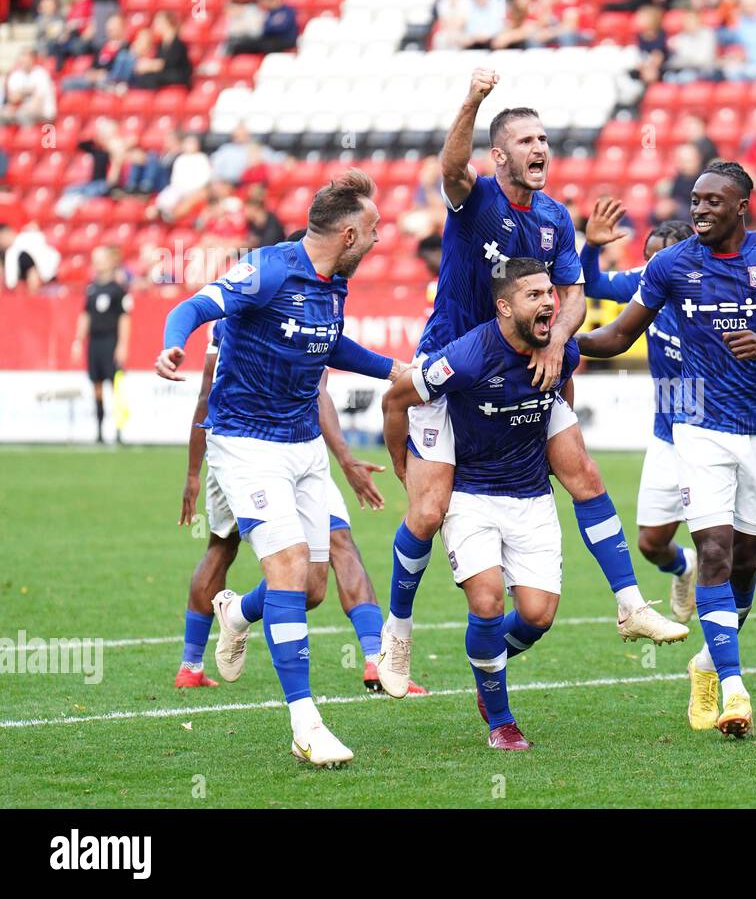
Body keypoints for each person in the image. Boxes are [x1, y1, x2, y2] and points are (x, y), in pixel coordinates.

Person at [377, 70, 688, 699]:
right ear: (501, 155)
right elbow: (451, 169)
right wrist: (471, 100)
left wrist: (554, 340)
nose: (539, 147)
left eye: (543, 138)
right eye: (525, 140)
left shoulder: (555, 218)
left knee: (585, 476)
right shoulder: (477, 198)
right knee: (430, 510)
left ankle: (629, 603)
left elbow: (574, 294)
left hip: (523, 362)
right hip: (453, 362)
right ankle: (398, 632)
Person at [154, 169, 407, 768]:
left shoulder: (333, 283)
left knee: (312, 586)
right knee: (291, 566)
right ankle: (306, 723)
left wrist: (396, 368)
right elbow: (196, 304)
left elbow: (330, 346)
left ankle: (237, 611)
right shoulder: (268, 268)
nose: (377, 241)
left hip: (303, 446)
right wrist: (173, 344)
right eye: (372, 230)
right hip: (247, 442)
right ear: (347, 233)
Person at [577, 162, 756, 738]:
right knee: (713, 550)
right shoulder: (671, 264)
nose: (699, 209)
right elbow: (618, 334)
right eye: (695, 200)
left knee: (745, 561)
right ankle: (735, 687)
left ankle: (706, 662)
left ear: (741, 206)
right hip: (695, 427)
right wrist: (558, 345)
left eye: (712, 201)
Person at [382, 258, 580, 750]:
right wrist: (401, 464)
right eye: (534, 295)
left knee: (537, 616)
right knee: (486, 597)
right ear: (504, 305)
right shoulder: (466, 357)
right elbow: (395, 399)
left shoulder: (561, 350)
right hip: (470, 492)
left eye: (550, 293)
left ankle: (486, 664)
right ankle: (500, 719)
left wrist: (555, 440)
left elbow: (563, 387)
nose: (549, 302)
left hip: (529, 495)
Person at [175, 318, 427, 694]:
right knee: (223, 548)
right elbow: (207, 392)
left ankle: (377, 661)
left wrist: (343, 458)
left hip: (300, 446)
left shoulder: (311, 308)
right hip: (240, 449)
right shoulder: (246, 316)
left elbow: (319, 390)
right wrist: (194, 471)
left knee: (332, 551)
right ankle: (192, 664)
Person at [581, 201, 699, 620]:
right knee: (651, 543)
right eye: (647, 258)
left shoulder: (716, 297)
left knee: (720, 538)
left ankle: (725, 651)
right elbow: (591, 283)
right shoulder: (644, 287)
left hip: (717, 435)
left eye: (660, 259)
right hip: (668, 433)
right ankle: (684, 567)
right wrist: (592, 246)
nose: (650, 267)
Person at [71, 246, 130, 444]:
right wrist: (79, 340)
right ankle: (99, 431)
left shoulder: (117, 289)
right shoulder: (92, 288)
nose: (97, 262)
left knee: (115, 386)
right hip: (94, 341)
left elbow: (124, 318)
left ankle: (119, 430)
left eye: (100, 258)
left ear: (110, 261)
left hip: (110, 340)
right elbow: (85, 315)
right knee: (96, 386)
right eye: (94, 259)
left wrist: (122, 344)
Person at [226, 0, 299, 56]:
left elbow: (281, 27)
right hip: (269, 39)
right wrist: (270, 25)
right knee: (242, 45)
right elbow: (264, 28)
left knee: (268, 46)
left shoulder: (287, 11)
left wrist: (269, 26)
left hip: (285, 40)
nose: (264, 3)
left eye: (266, 0)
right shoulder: (269, 13)